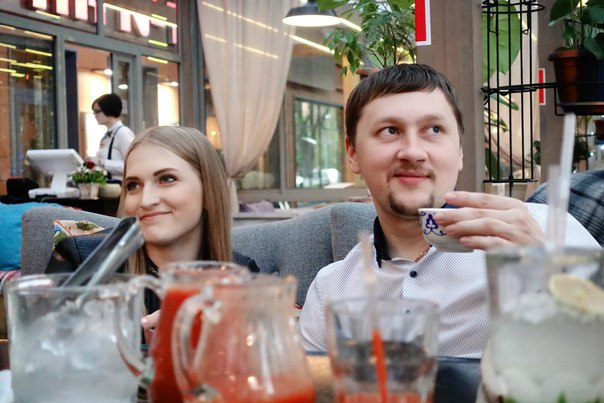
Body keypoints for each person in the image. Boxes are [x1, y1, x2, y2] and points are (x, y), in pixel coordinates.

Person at [297, 64, 600, 359]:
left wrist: (555, 274)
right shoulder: (331, 290)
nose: (413, 152)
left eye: (434, 129)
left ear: (460, 152)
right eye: (390, 130)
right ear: (353, 153)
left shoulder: (547, 228)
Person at [92, 93, 135, 183]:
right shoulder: (107, 135)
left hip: (120, 185)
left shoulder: (123, 133)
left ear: (108, 110)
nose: (95, 115)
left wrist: (102, 162)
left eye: (97, 111)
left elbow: (133, 165)